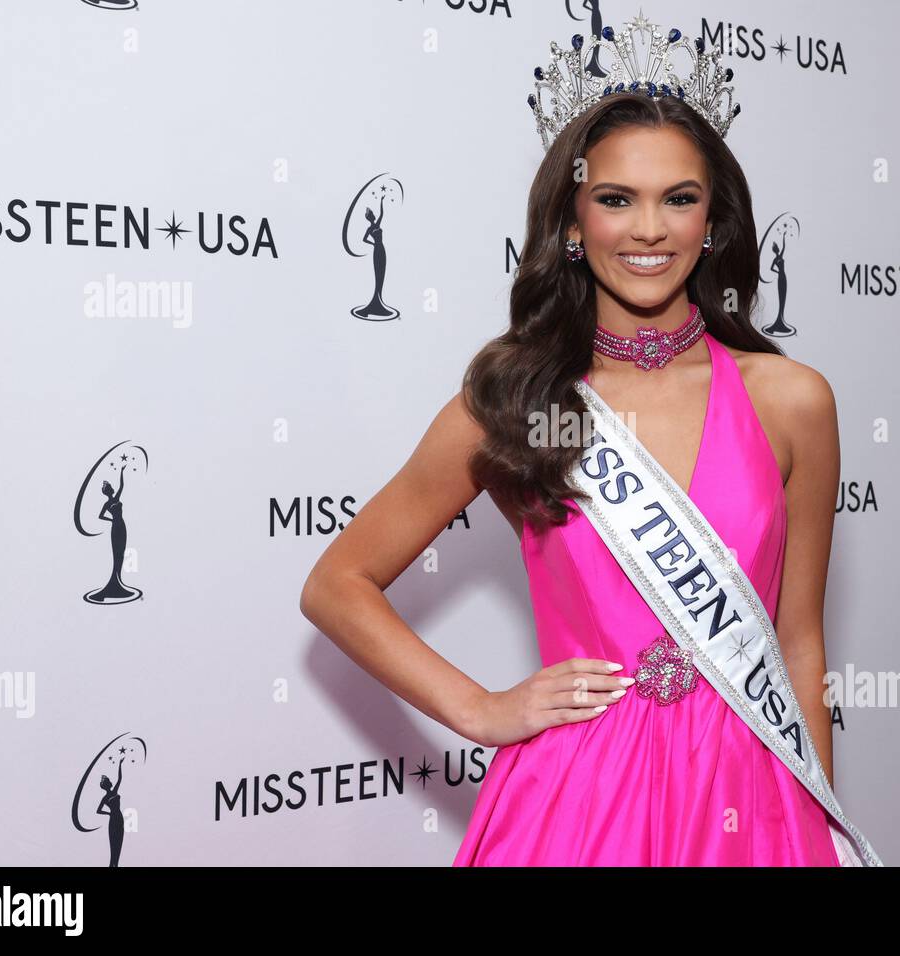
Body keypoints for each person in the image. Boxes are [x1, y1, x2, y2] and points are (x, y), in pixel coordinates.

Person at [300, 22, 870, 867]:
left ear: (713, 221)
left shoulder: (791, 401)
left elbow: (797, 645)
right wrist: (481, 709)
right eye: (615, 199)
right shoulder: (518, 401)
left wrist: (820, 816)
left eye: (679, 198)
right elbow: (336, 586)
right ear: (572, 220)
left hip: (753, 793)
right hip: (580, 801)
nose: (649, 229)